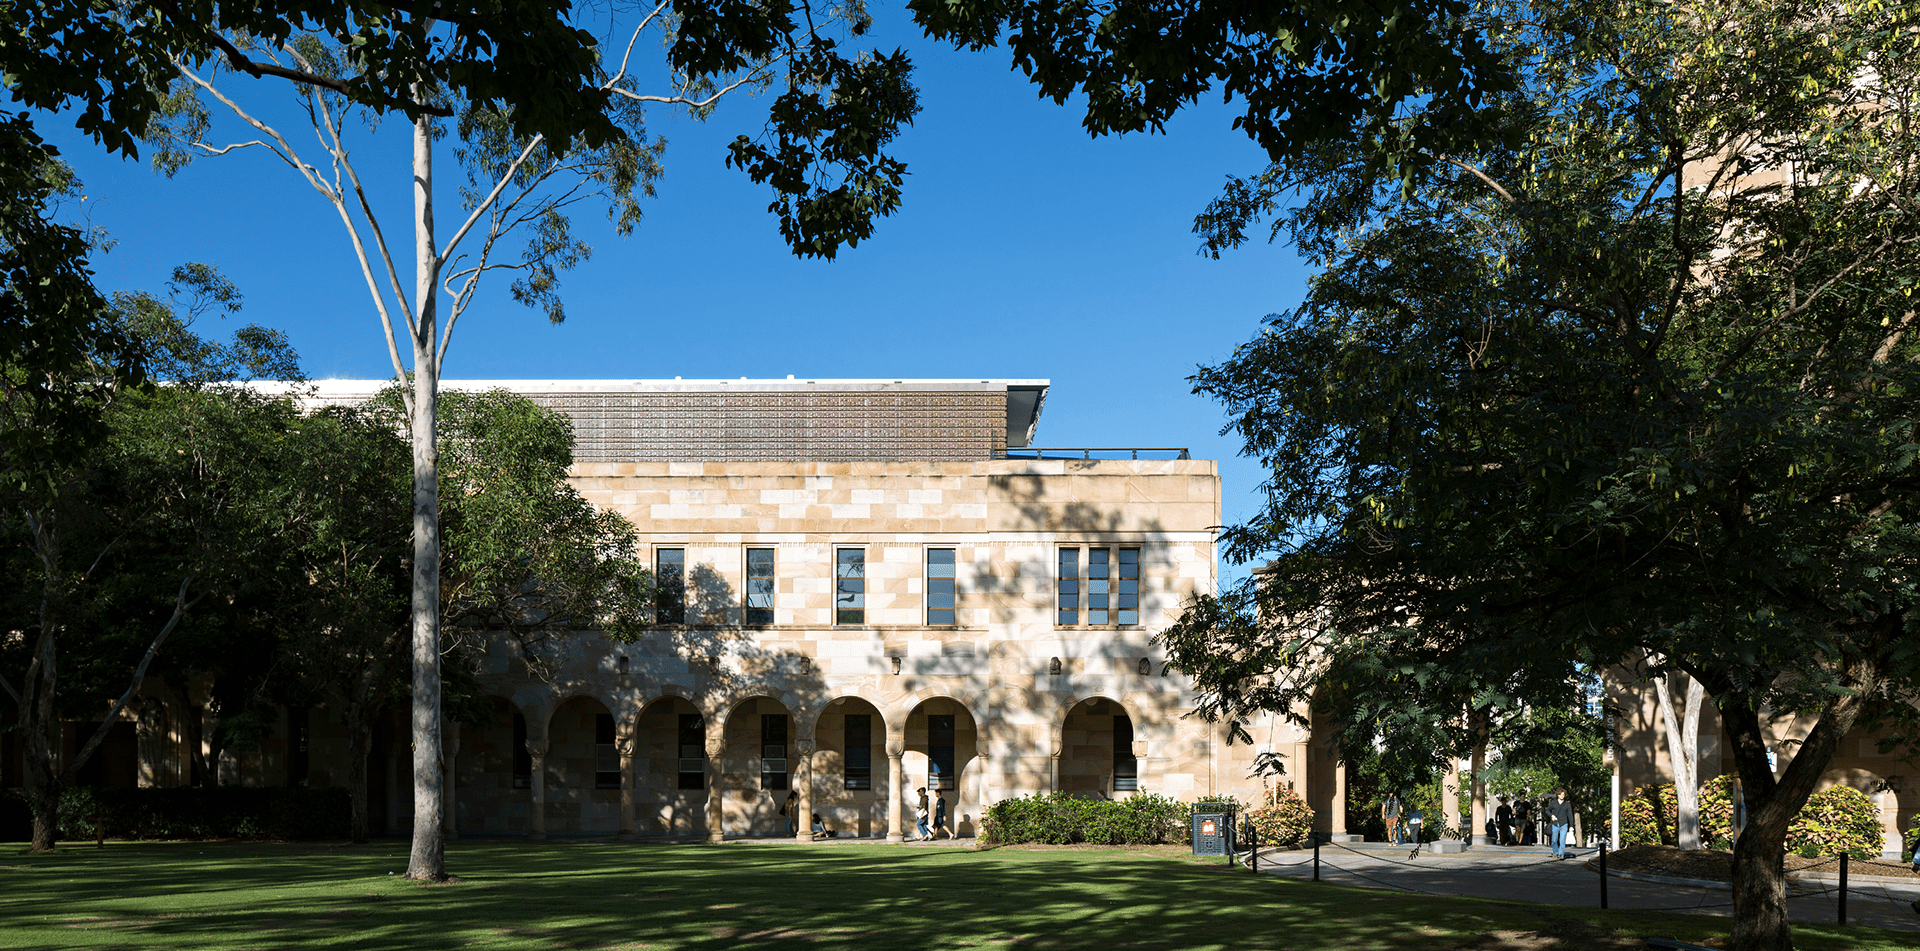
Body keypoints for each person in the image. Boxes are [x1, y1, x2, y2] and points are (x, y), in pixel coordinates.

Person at [1546, 789, 1577, 859]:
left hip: (1564, 824)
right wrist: (1551, 816)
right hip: (1555, 823)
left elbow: (1570, 815)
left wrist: (1571, 826)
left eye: (1563, 794)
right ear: (1558, 795)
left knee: (1562, 840)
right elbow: (1547, 810)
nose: (1562, 796)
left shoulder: (1567, 804)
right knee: (1554, 840)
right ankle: (1555, 852)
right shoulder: (1553, 803)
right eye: (1560, 794)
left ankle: (1561, 854)